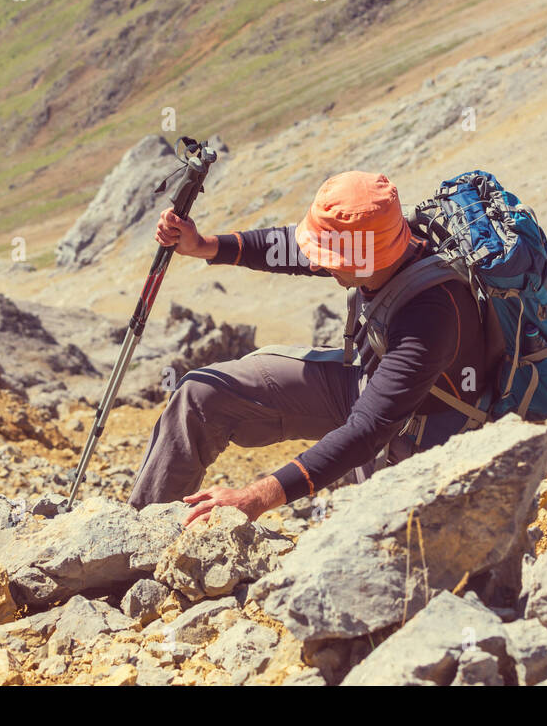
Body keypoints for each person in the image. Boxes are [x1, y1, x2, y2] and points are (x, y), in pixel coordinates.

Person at [128, 171, 486, 525]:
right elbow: (289, 248)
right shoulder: (385, 241)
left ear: (362, 259)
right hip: (369, 388)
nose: (314, 262)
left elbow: (367, 430)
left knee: (379, 551)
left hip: (418, 431)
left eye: (326, 256)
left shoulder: (430, 317)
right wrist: (204, 245)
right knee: (200, 394)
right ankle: (142, 536)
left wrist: (254, 498)